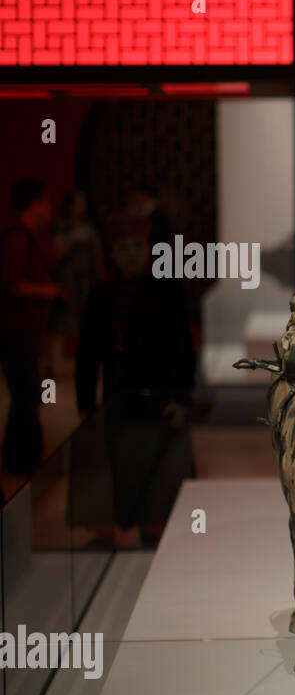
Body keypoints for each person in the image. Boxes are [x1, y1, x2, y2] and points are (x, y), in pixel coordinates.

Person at [76, 213, 196, 544]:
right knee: (126, 478)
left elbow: (183, 350)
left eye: (137, 246)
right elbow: (88, 353)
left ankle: (158, 542)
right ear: (112, 253)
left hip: (163, 402)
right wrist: (85, 402)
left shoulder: (168, 290)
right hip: (121, 402)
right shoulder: (101, 295)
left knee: (164, 487)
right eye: (123, 247)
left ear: (148, 248)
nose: (131, 253)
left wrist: (182, 399)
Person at [1, 178, 62, 477]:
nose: (49, 207)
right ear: (34, 203)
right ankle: (22, 461)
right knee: (25, 396)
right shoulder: (17, 238)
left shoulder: (25, 237)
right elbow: (10, 283)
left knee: (26, 395)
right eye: (45, 200)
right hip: (16, 330)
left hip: (23, 330)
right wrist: (45, 291)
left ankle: (22, 459)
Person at [51, 188, 104, 356]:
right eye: (78, 202)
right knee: (62, 320)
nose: (82, 206)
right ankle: (54, 364)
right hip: (67, 277)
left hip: (87, 276)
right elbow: (57, 251)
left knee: (89, 319)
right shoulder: (61, 224)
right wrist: (73, 237)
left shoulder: (89, 224)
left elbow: (97, 250)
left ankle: (88, 360)